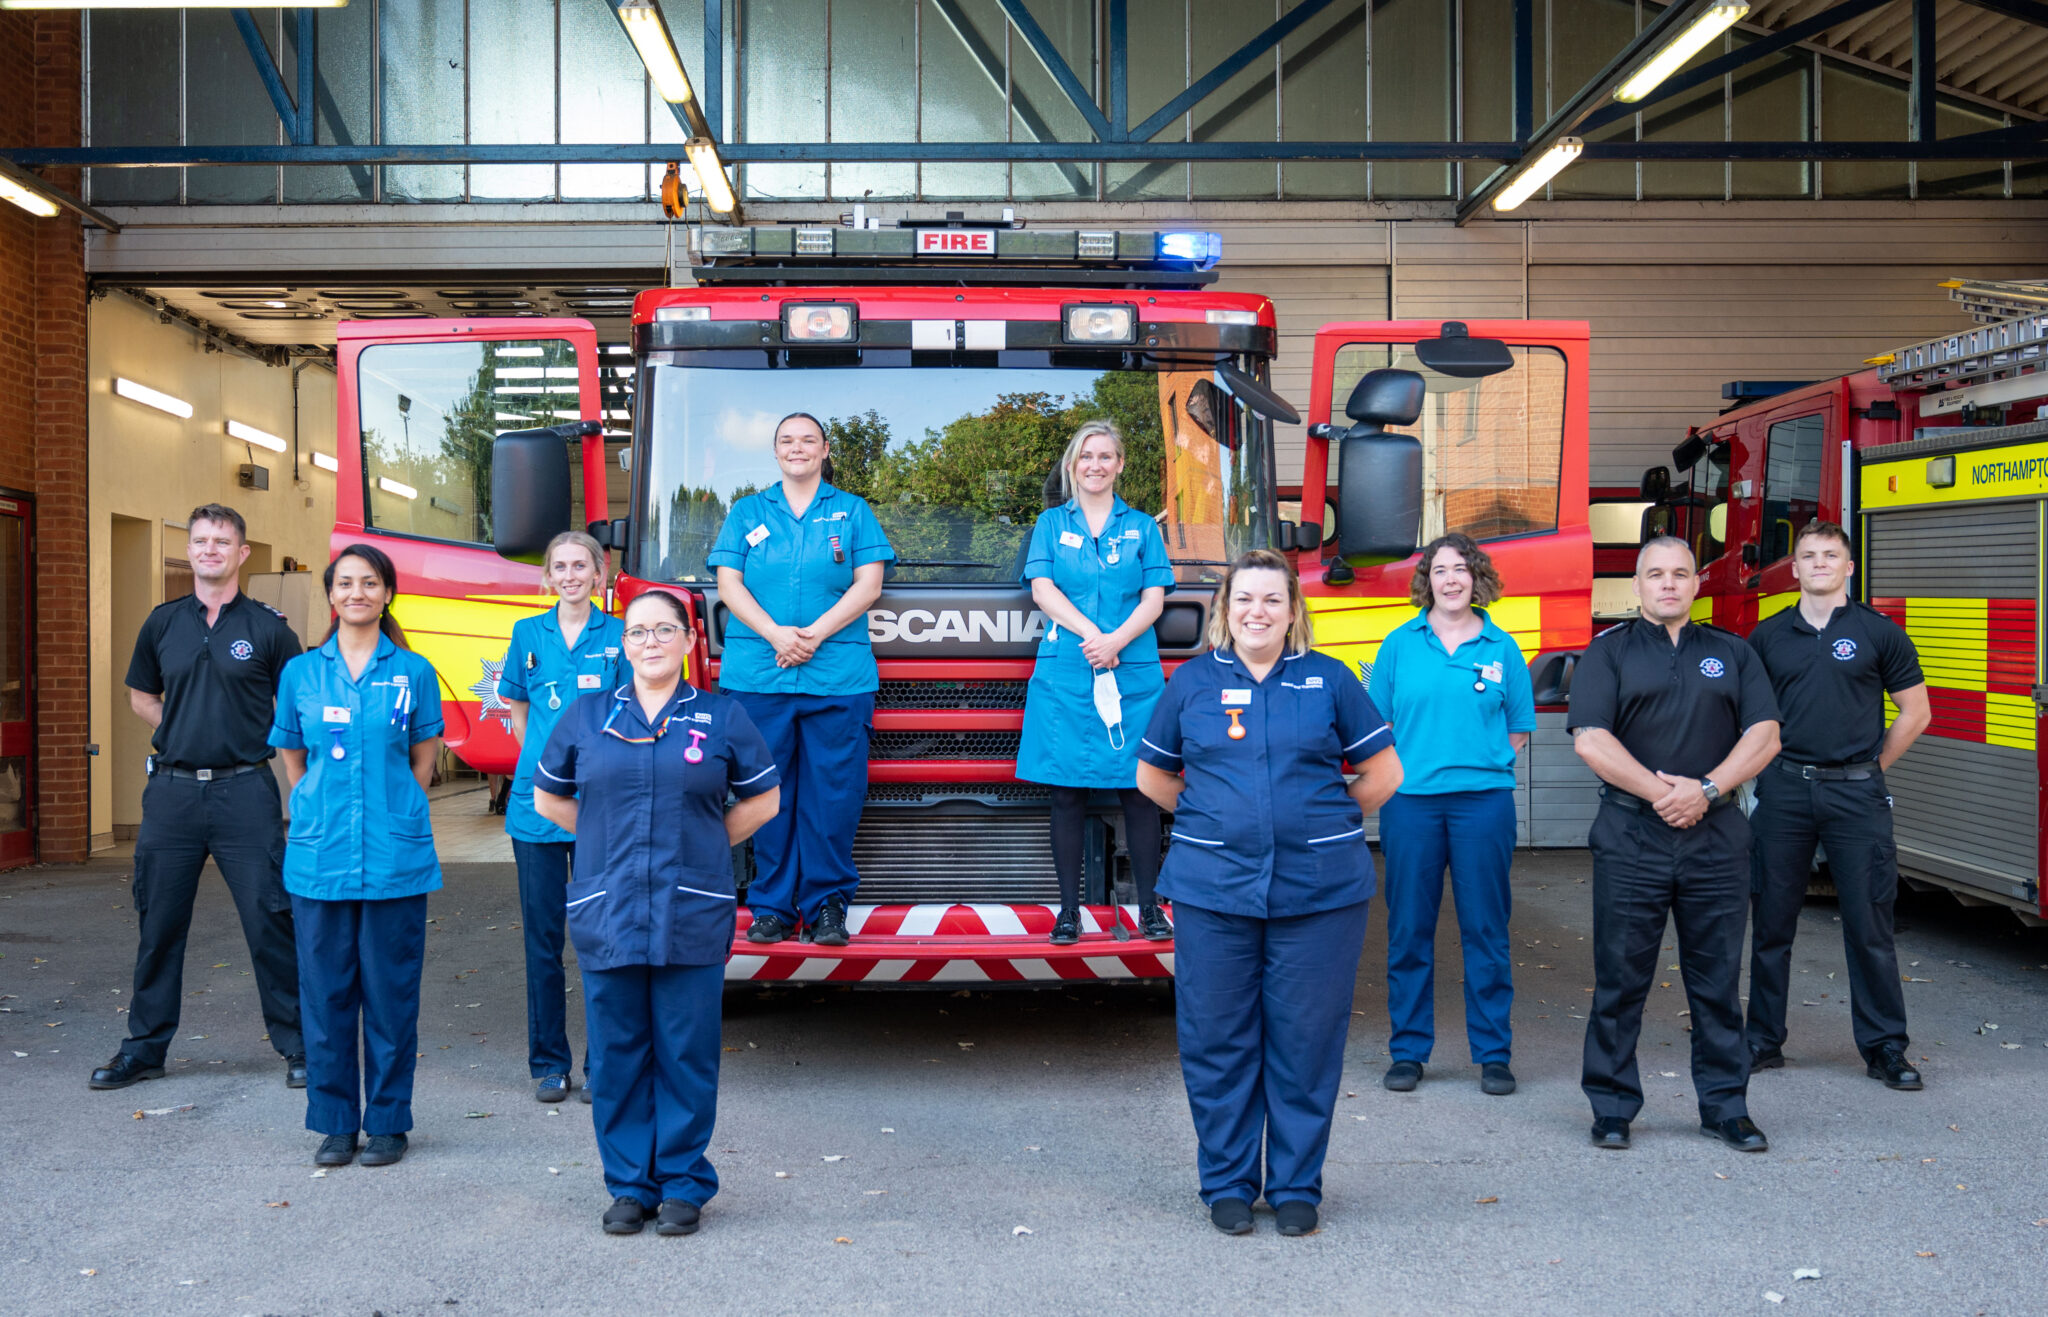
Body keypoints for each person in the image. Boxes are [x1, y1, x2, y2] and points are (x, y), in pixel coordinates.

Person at [1136, 549, 1402, 1237]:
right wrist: (1214, 820)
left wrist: (1327, 819)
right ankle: (1227, 1182)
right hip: (1212, 892)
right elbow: (1154, 778)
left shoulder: (1330, 680)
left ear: (1293, 611)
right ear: (1226, 609)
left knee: (1305, 1042)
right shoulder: (1191, 682)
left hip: (1319, 894)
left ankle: (1294, 1187)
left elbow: (1383, 772)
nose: (1258, 611)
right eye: (1245, 599)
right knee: (1217, 1038)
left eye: (1272, 600)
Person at [534, 589, 781, 1236]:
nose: (651, 641)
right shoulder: (587, 716)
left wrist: (698, 844)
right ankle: (628, 1184)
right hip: (609, 905)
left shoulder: (722, 716)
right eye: (639, 631)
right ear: (624, 643)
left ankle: (681, 1181)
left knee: (686, 1049)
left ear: (689, 641)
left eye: (664, 629)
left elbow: (763, 801)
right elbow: (548, 799)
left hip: (689, 906)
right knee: (617, 1051)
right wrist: (607, 843)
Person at [1568, 537, 1780, 1154]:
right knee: (1620, 978)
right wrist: (1667, 796)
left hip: (1716, 837)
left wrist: (1709, 790)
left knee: (1716, 980)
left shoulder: (1733, 653)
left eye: (1680, 574)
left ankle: (1725, 1106)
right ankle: (1611, 1107)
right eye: (1655, 574)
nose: (1669, 584)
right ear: (1637, 585)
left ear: (1696, 584)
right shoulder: (1607, 654)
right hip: (1632, 834)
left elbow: (1764, 735)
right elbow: (1591, 740)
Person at [92, 504, 306, 1093]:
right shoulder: (162, 624)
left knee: (270, 921)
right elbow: (141, 696)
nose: (210, 549)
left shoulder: (270, 628)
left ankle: (300, 1046)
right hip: (174, 793)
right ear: (189, 550)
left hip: (245, 791)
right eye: (201, 540)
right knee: (159, 925)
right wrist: (182, 730)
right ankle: (144, 1048)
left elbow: (296, 706)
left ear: (242, 553)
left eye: (223, 541)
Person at [269, 544, 444, 1168]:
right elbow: (295, 760)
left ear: (386, 593)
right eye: (345, 584)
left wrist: (395, 806)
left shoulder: (414, 671)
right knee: (325, 996)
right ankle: (336, 1122)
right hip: (320, 858)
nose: (357, 593)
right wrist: (323, 808)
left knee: (392, 996)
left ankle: (390, 1121)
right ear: (332, 595)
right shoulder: (301, 674)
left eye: (369, 583)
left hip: (394, 857)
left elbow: (424, 760)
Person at [1743, 520, 1931, 1089]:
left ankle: (1884, 1049)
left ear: (1849, 567)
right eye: (1808, 555)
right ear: (1793, 569)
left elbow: (1915, 712)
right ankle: (1761, 1041)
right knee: (1772, 921)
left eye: (1830, 555)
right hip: (1784, 789)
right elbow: (1751, 719)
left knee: (1869, 923)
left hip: (1857, 793)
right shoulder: (1768, 637)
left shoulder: (1880, 632)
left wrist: (1871, 770)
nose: (1819, 563)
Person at [709, 411, 894, 947]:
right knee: (766, 793)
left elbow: (869, 583)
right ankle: (771, 905)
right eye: (787, 441)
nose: (797, 448)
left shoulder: (852, 512)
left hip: (837, 678)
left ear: (825, 450)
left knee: (833, 796)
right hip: (759, 679)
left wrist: (811, 634)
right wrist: (776, 636)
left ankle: (828, 905)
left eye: (808, 440)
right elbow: (729, 582)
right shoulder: (747, 511)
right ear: (775, 452)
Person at [1370, 533, 1534, 1097]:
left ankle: (1493, 1054)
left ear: (1477, 577)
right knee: (1409, 929)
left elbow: (1517, 729)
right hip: (1411, 806)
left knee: (1485, 929)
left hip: (1483, 806)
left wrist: (1480, 766)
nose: (1450, 579)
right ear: (1426, 581)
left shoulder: (1502, 647)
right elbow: (1377, 728)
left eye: (1461, 569)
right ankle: (1409, 1052)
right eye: (1440, 570)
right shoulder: (1399, 645)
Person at [1017, 419, 1175, 944]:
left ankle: (1150, 908)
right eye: (1086, 456)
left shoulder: (1143, 528)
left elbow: (1154, 599)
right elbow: (1042, 590)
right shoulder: (1048, 524)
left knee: (1141, 792)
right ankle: (1069, 911)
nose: (1095, 465)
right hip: (1068, 670)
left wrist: (1115, 643)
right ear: (1072, 465)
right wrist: (1094, 636)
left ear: (1120, 465)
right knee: (1065, 794)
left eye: (1106, 456)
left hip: (1131, 671)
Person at [498, 530, 626, 1104]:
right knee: (542, 941)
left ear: (600, 575)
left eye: (582, 565)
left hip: (603, 808)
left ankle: (605, 1064)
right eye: (560, 566)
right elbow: (520, 712)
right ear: (547, 576)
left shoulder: (621, 636)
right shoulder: (528, 634)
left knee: (605, 937)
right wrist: (543, 768)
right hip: (537, 808)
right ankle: (549, 1063)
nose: (571, 575)